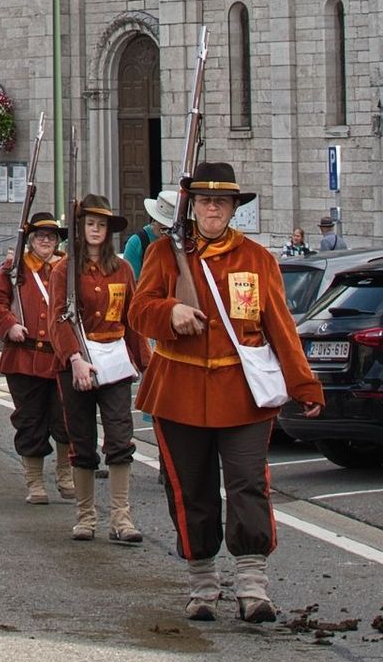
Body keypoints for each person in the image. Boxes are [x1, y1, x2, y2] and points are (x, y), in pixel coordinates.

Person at [131, 163, 324, 622]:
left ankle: (252, 584)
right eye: (203, 201)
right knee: (189, 490)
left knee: (248, 487)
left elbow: (280, 327)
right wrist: (170, 312)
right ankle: (202, 582)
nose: (212, 208)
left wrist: (303, 383)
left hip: (243, 397)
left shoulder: (257, 259)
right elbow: (139, 313)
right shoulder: (164, 253)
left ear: (234, 208)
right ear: (192, 206)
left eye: (221, 201)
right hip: (178, 393)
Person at [49, 196, 152, 543]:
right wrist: (74, 358)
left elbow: (132, 318)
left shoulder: (122, 269)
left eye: (101, 224)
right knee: (82, 440)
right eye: (89, 223)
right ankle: (86, 516)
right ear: (80, 228)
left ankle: (121, 519)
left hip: (115, 359)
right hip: (77, 362)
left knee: (121, 439)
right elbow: (58, 319)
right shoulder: (64, 269)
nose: (95, 230)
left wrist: (146, 362)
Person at [0, 213, 76, 505]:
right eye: (40, 236)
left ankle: (65, 473)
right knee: (30, 421)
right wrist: (9, 324)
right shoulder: (15, 269)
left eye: (51, 236)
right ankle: (35, 482)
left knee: (66, 419)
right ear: (30, 240)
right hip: (25, 357)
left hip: (61, 356)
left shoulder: (69, 268)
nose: (46, 241)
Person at [124, 188, 178, 277]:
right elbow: (132, 284)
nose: (168, 234)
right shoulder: (136, 243)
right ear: (154, 221)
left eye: (173, 230)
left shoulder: (183, 241)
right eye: (164, 229)